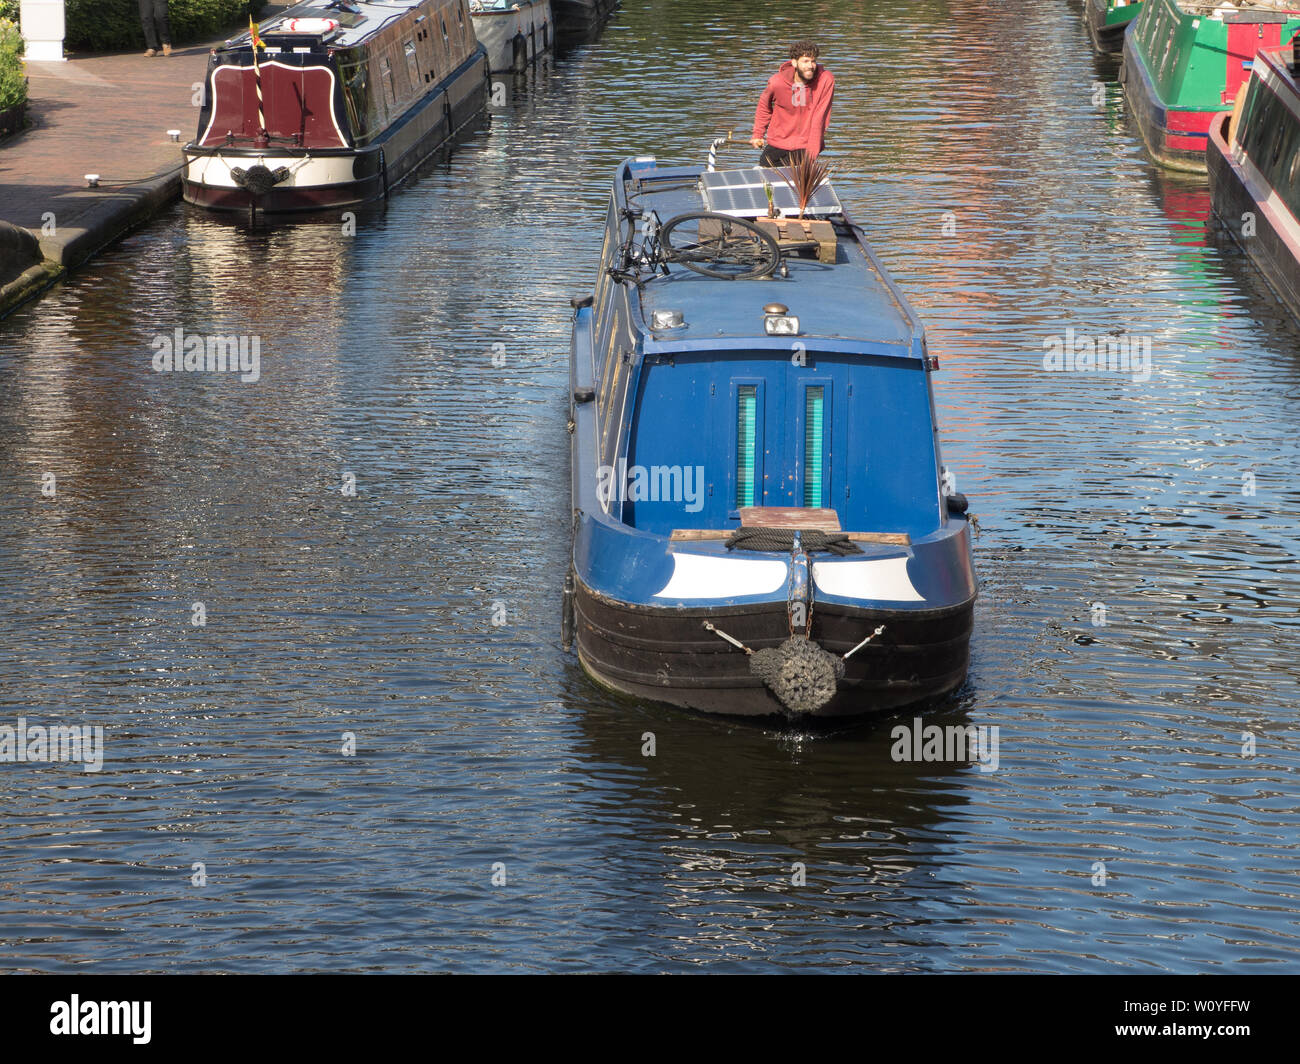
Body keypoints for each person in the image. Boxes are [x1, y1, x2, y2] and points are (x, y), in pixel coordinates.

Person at [751, 41, 834, 168]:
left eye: (813, 61)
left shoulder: (825, 80)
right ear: (794, 63)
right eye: (805, 61)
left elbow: (819, 118)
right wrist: (758, 134)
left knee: (797, 186)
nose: (811, 66)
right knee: (764, 180)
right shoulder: (777, 82)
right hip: (778, 144)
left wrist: (810, 156)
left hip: (805, 147)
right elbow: (764, 107)